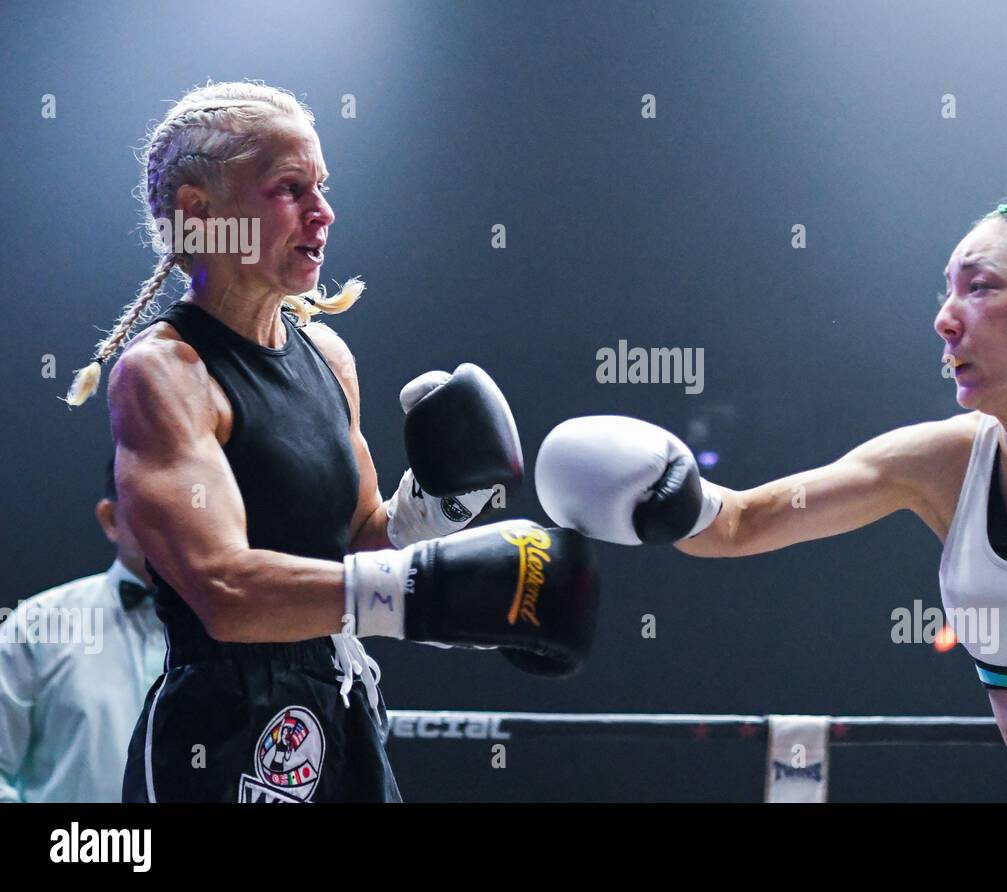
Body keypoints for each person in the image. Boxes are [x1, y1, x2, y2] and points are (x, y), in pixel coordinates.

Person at [534, 195, 1007, 802]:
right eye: (945, 291)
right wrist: (668, 498)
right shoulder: (940, 462)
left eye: (981, 286)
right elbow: (741, 523)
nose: (945, 317)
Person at [63, 81, 599, 803]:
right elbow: (225, 591)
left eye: (323, 186)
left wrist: (438, 509)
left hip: (339, 700)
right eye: (290, 188)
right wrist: (441, 594)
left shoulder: (329, 357)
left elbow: (363, 541)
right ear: (199, 212)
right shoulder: (164, 372)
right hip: (223, 729)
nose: (324, 212)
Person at [0, 456, 166, 802]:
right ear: (110, 518)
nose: (170, 519)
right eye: (150, 501)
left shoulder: (241, 630)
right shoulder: (38, 625)